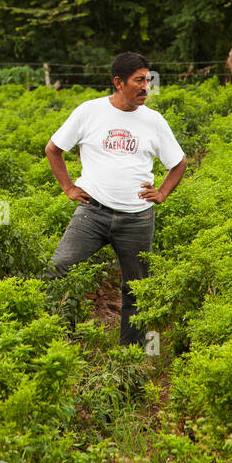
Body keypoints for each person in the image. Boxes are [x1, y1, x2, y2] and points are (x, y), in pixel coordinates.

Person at [43, 52, 187, 347]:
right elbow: (53, 149)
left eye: (148, 79)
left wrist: (161, 193)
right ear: (118, 82)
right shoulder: (89, 112)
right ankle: (54, 339)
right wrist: (69, 188)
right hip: (92, 212)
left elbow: (179, 163)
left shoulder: (154, 121)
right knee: (57, 269)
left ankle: (131, 356)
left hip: (137, 217)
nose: (146, 86)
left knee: (137, 289)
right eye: (139, 80)